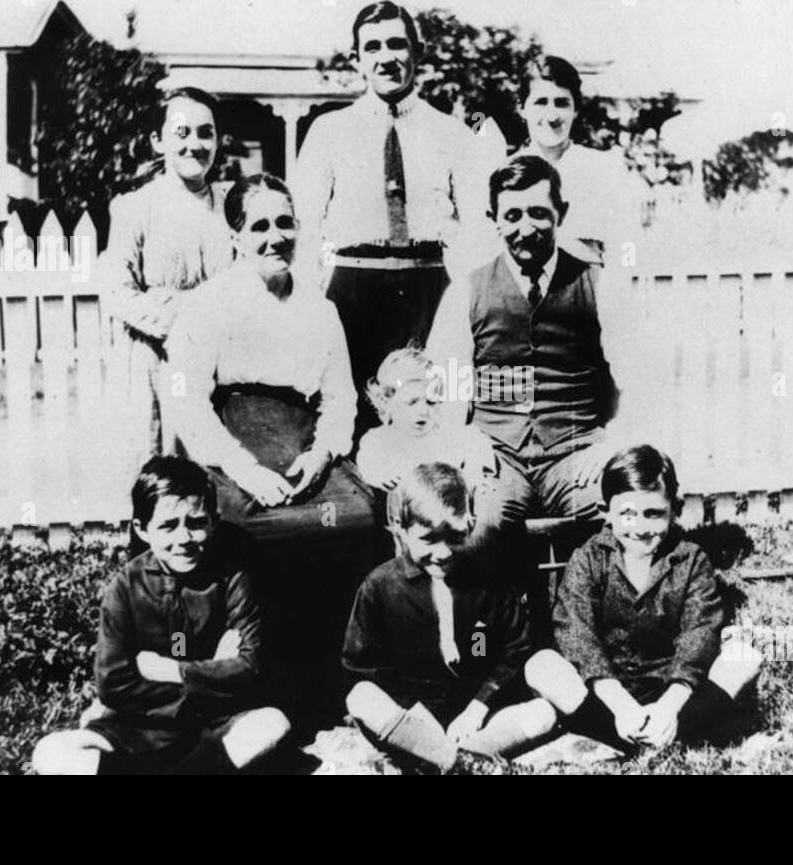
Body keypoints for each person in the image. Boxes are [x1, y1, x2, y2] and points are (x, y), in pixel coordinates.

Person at [162, 173, 381, 718]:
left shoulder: (319, 308)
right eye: (259, 225)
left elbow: (341, 400)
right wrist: (243, 470)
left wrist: (322, 454)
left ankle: (336, 683)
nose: (275, 237)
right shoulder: (207, 305)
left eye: (285, 223)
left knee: (353, 518)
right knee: (241, 530)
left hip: (303, 449)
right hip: (229, 452)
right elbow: (189, 402)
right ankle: (253, 681)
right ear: (235, 234)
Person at [292, 1, 500, 433]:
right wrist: (307, 309)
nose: (385, 57)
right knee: (356, 415)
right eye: (373, 47)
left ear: (417, 52)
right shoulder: (328, 132)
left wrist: (463, 303)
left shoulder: (453, 134)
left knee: (430, 412)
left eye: (396, 44)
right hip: (352, 290)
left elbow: (476, 235)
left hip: (429, 291)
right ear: (358, 59)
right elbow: (304, 232)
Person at [426, 155, 638, 559]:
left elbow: (640, 377)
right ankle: (499, 621)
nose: (527, 228)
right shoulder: (468, 290)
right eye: (513, 215)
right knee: (478, 526)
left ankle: (590, 618)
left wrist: (610, 444)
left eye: (539, 213)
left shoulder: (597, 283)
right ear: (495, 219)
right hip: (498, 453)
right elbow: (446, 385)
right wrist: (465, 440)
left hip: (575, 453)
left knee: (616, 519)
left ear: (562, 214)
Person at [31, 456, 293, 774]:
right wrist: (210, 674)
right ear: (142, 529)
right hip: (138, 730)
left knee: (271, 724)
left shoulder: (233, 577)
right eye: (168, 526)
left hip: (211, 727)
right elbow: (113, 685)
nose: (183, 538)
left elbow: (249, 669)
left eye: (196, 523)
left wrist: (169, 669)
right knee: (50, 752)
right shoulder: (126, 586)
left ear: (214, 520)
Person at [524, 445, 762, 752]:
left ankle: (666, 731)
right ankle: (629, 735)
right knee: (540, 665)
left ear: (674, 509)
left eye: (653, 513)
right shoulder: (588, 559)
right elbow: (575, 633)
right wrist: (621, 705)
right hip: (609, 697)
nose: (639, 528)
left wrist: (669, 706)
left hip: (675, 693)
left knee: (744, 657)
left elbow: (700, 634)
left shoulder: (691, 560)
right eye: (627, 514)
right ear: (605, 512)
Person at [342, 463, 556, 772]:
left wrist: (477, 708)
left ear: (469, 525)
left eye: (454, 537)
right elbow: (362, 666)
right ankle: (456, 762)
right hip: (410, 721)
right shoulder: (379, 587)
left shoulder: (489, 583)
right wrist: (413, 712)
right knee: (361, 699)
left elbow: (514, 651)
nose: (443, 553)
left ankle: (449, 760)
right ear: (401, 531)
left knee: (543, 712)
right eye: (428, 539)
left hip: (471, 717)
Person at [99, 87, 235, 478]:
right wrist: (177, 324)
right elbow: (117, 289)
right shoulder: (136, 206)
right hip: (156, 355)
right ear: (158, 141)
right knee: (163, 464)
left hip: (219, 355)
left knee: (217, 464)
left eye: (205, 133)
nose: (195, 144)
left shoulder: (231, 204)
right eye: (182, 132)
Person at [514, 56, 639, 267]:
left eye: (562, 103)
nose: (552, 116)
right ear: (522, 109)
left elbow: (627, 242)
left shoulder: (604, 169)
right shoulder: (507, 172)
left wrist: (621, 290)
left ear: (576, 109)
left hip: (587, 293)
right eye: (541, 102)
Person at [357, 347, 496, 493]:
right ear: (386, 403)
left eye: (431, 402)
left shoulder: (443, 435)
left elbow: (476, 442)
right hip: (403, 510)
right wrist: (380, 474)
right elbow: (367, 461)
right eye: (411, 402)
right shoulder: (379, 440)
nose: (423, 411)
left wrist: (474, 473)